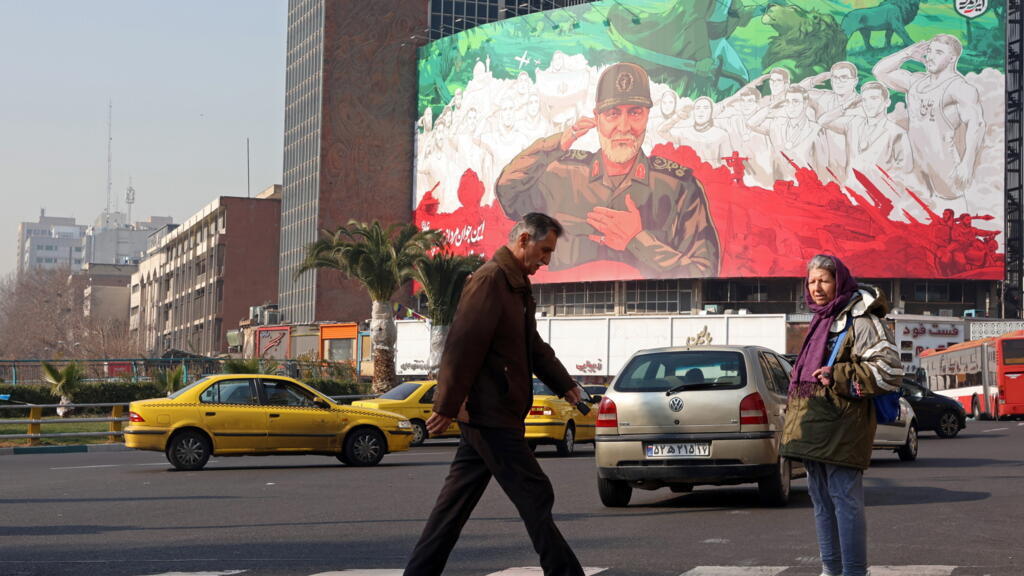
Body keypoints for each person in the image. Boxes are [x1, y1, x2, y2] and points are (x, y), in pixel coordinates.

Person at [404, 213, 585, 576]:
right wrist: (447, 404)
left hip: (493, 413)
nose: (546, 260)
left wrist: (566, 385)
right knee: (535, 492)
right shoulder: (490, 280)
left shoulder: (515, 285)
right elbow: (462, 345)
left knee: (452, 508)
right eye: (544, 250)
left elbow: (532, 347)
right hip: (490, 414)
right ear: (522, 240)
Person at [496, 62, 720, 278]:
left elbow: (704, 271)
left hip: (656, 309)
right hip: (564, 307)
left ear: (647, 117)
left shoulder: (678, 187)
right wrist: (555, 145)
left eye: (634, 113)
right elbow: (508, 193)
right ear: (597, 118)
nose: (623, 127)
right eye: (612, 114)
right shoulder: (562, 174)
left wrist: (638, 240)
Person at [781, 254, 903, 576]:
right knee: (821, 502)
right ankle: (830, 570)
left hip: (845, 425)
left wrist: (838, 375)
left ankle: (853, 572)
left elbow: (889, 371)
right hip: (814, 424)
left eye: (824, 280)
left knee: (845, 502)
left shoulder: (862, 321)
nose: (817, 287)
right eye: (811, 281)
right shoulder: (819, 321)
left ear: (840, 281)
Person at [873, 34, 985, 202]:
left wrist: (967, 163)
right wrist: (908, 53)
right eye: (930, 51)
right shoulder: (915, 81)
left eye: (938, 52)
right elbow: (879, 71)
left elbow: (976, 125)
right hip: (915, 162)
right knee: (915, 214)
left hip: (943, 163)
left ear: (952, 58)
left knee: (951, 210)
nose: (930, 56)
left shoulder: (960, 88)